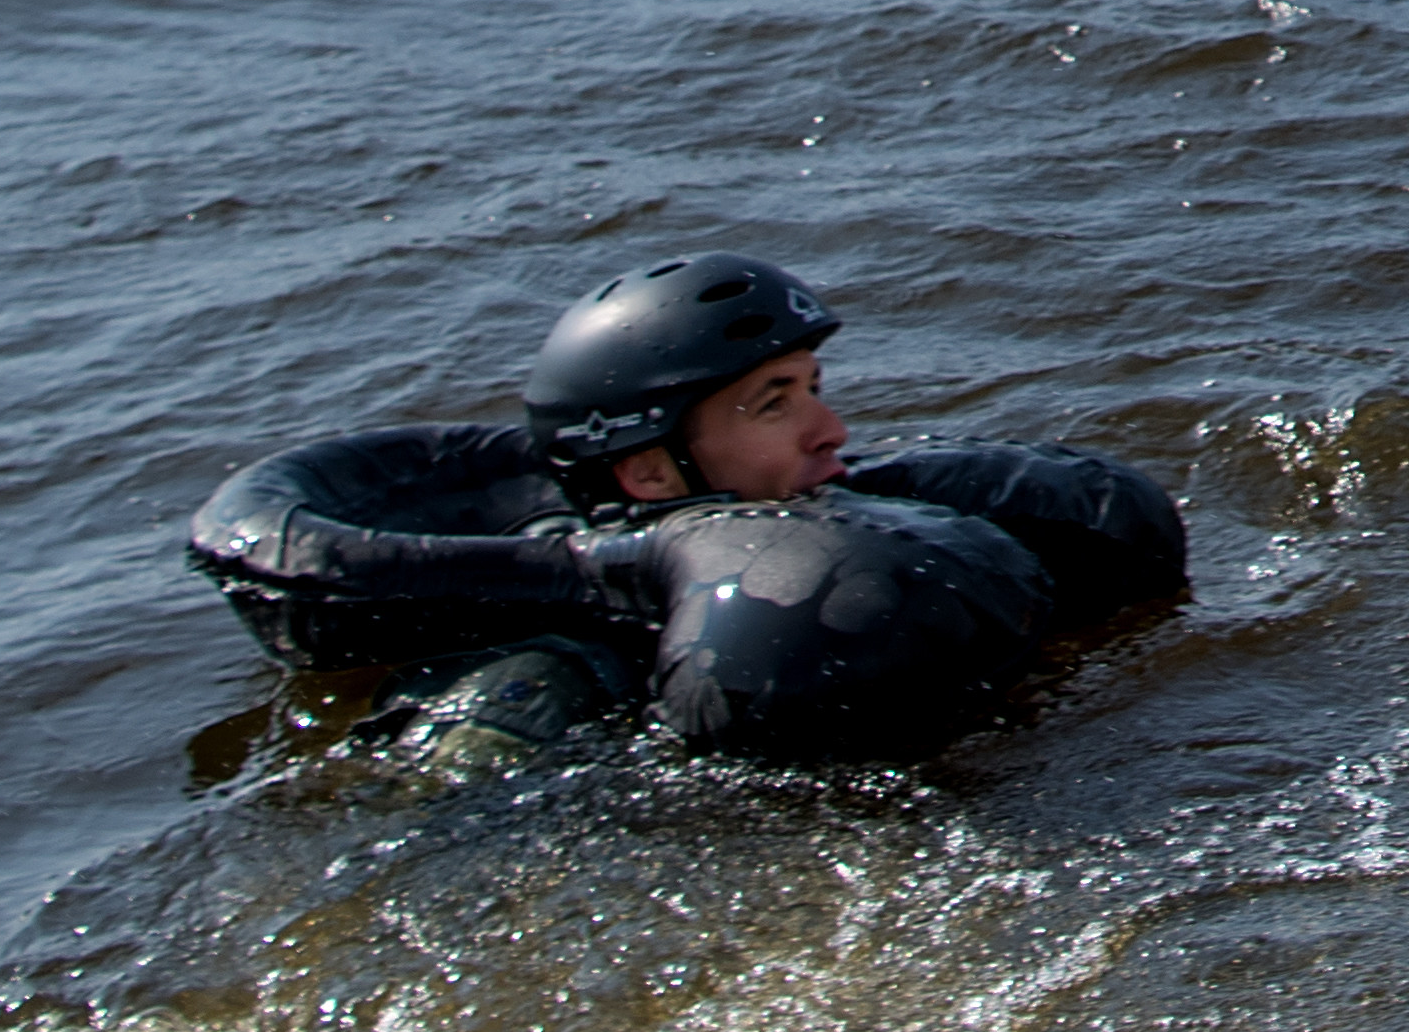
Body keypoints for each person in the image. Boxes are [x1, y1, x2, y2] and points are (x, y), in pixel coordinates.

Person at [184, 248, 1187, 778]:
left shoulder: (884, 534)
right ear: (650, 474)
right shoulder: (535, 685)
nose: (831, 431)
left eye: (813, 386)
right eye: (773, 403)